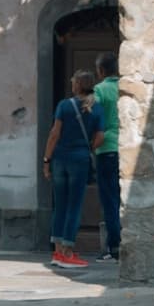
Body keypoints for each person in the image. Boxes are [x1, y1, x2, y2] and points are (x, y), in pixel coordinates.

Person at [42, 69, 103, 268]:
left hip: (60, 159)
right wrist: (87, 148)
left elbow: (54, 134)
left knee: (60, 205)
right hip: (80, 160)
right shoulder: (96, 107)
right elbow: (100, 137)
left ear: (77, 85)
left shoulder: (64, 105)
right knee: (74, 207)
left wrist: (46, 160)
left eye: (73, 81)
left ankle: (58, 252)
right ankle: (68, 252)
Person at [92, 50, 121, 261]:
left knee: (110, 200)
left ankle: (114, 245)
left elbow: (92, 116)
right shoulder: (125, 87)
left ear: (101, 70)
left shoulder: (99, 90)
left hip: (106, 148)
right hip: (124, 147)